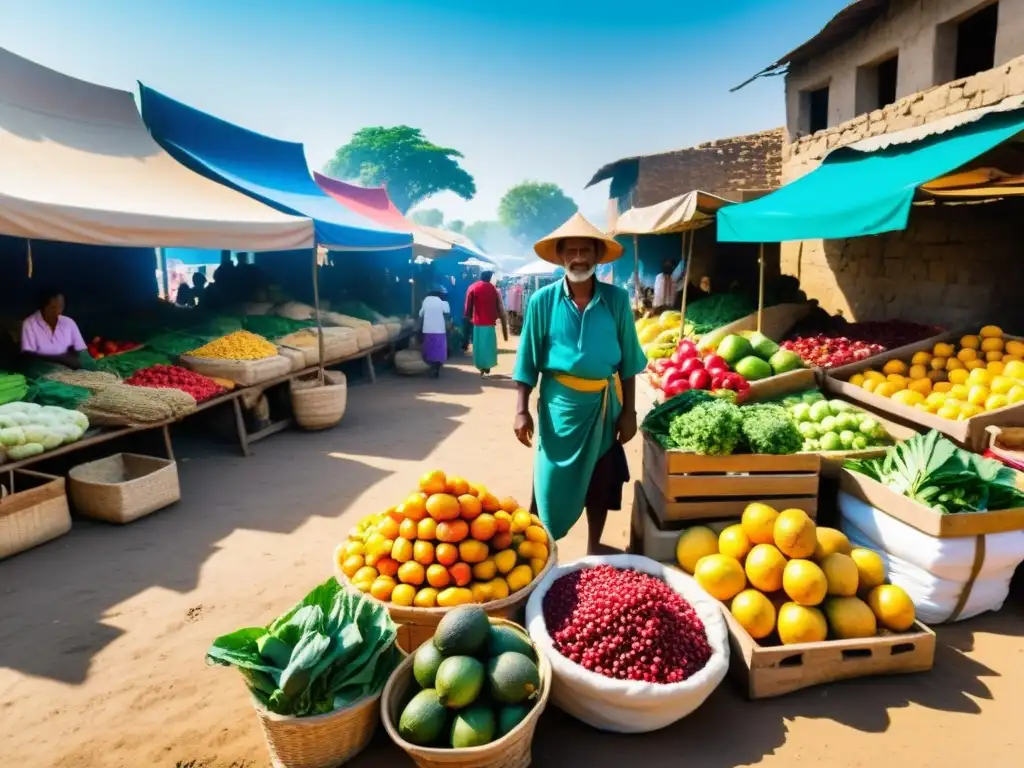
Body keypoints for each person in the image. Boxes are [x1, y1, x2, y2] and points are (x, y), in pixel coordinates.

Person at [512, 214, 647, 554]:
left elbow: (628, 361)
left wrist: (629, 411)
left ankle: (593, 550)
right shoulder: (542, 301)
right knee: (548, 483)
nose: (578, 258)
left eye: (585, 250)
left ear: (597, 256)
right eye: (570, 251)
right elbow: (527, 359)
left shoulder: (616, 301)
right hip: (558, 410)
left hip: (604, 407)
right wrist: (521, 410)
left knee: (600, 482)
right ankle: (540, 555)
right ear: (560, 257)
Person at [21, 288, 87, 370]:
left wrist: (89, 365)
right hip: (40, 369)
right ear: (43, 307)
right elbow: (29, 355)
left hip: (67, 371)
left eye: (61, 307)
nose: (58, 311)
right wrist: (61, 358)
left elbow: (81, 350)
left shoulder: (69, 323)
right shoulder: (29, 324)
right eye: (53, 308)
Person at [464, 270, 508, 376]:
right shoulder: (493, 289)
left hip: (477, 322)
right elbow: (499, 305)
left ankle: (480, 366)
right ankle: (487, 365)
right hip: (489, 322)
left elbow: (468, 304)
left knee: (478, 345)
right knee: (488, 345)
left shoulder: (473, 287)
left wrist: (468, 316)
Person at [419, 286, 451, 378]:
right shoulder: (443, 302)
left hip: (427, 329)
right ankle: (437, 367)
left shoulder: (425, 301)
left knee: (429, 348)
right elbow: (447, 312)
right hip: (440, 330)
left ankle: (431, 366)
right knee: (439, 349)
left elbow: (420, 314)